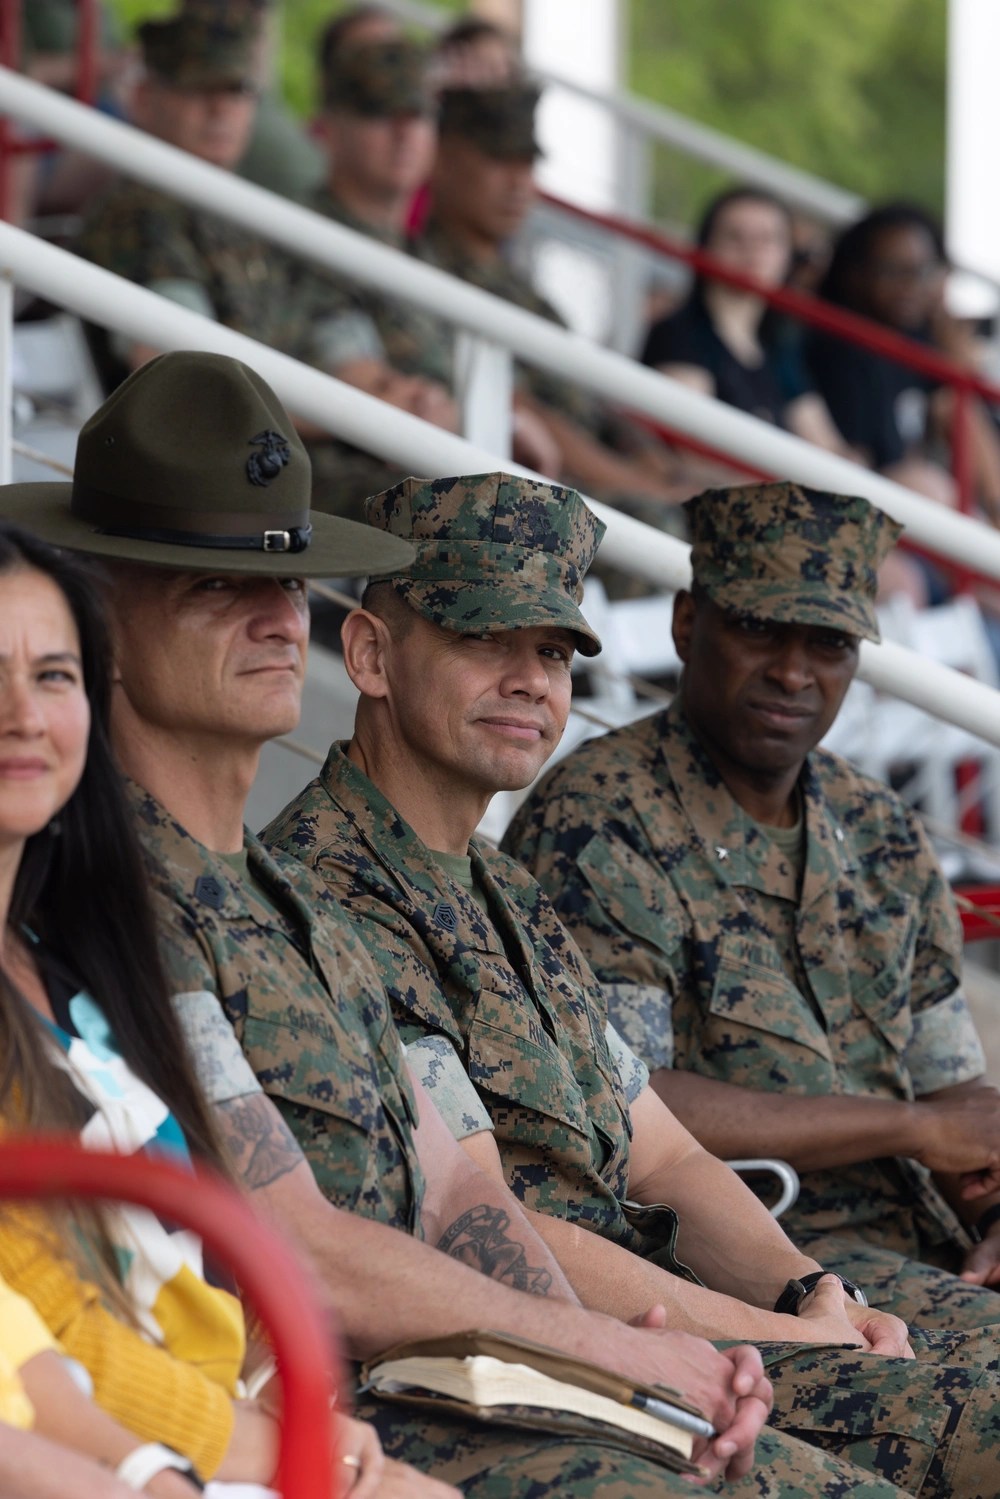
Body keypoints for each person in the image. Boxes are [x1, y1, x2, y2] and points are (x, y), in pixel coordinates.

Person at [0, 350, 841, 1498]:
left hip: (427, 1384)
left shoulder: (299, 901)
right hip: (331, 1399)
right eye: (214, 584)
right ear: (103, 619)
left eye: (290, 581)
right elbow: (286, 1238)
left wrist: (623, 1377)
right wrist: (617, 1356)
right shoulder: (114, 901)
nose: (274, 617)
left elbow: (463, 1190)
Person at [0, 516, 446, 1498]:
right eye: (216, 584)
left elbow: (203, 1273)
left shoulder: (81, 957)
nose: (22, 713)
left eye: (52, 675)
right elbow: (47, 1323)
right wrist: (250, 1452)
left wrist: (292, 1404)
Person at [505, 478, 1000, 1339]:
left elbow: (955, 1093)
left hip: (925, 1242)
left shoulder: (880, 828)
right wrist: (913, 1127)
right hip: (761, 1258)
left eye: (830, 641)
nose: (795, 671)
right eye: (761, 628)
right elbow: (626, 1099)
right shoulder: (600, 814)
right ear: (689, 623)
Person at [412, 84, 701, 523]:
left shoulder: (520, 289)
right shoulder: (423, 275)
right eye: (497, 161)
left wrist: (653, 462)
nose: (518, 182)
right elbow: (515, 406)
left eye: (526, 164)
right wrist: (642, 484)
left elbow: (583, 401)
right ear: (444, 161)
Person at [75, 7, 312, 388]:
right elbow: (186, 378)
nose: (221, 109)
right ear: (143, 100)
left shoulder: (245, 213)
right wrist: (339, 416)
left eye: (237, 90)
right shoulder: (139, 213)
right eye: (198, 88)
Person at [806, 204, 1000, 522]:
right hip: (867, 511)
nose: (911, 285)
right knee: (932, 488)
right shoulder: (839, 349)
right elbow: (873, 464)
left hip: (915, 506)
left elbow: (954, 410)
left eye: (923, 271)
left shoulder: (920, 339)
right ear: (853, 274)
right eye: (893, 270)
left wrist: (958, 370)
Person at [642, 188, 848, 455]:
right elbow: (692, 452)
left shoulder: (777, 348)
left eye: (767, 239)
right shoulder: (678, 336)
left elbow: (829, 448)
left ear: (786, 255)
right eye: (734, 237)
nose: (752, 251)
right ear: (707, 246)